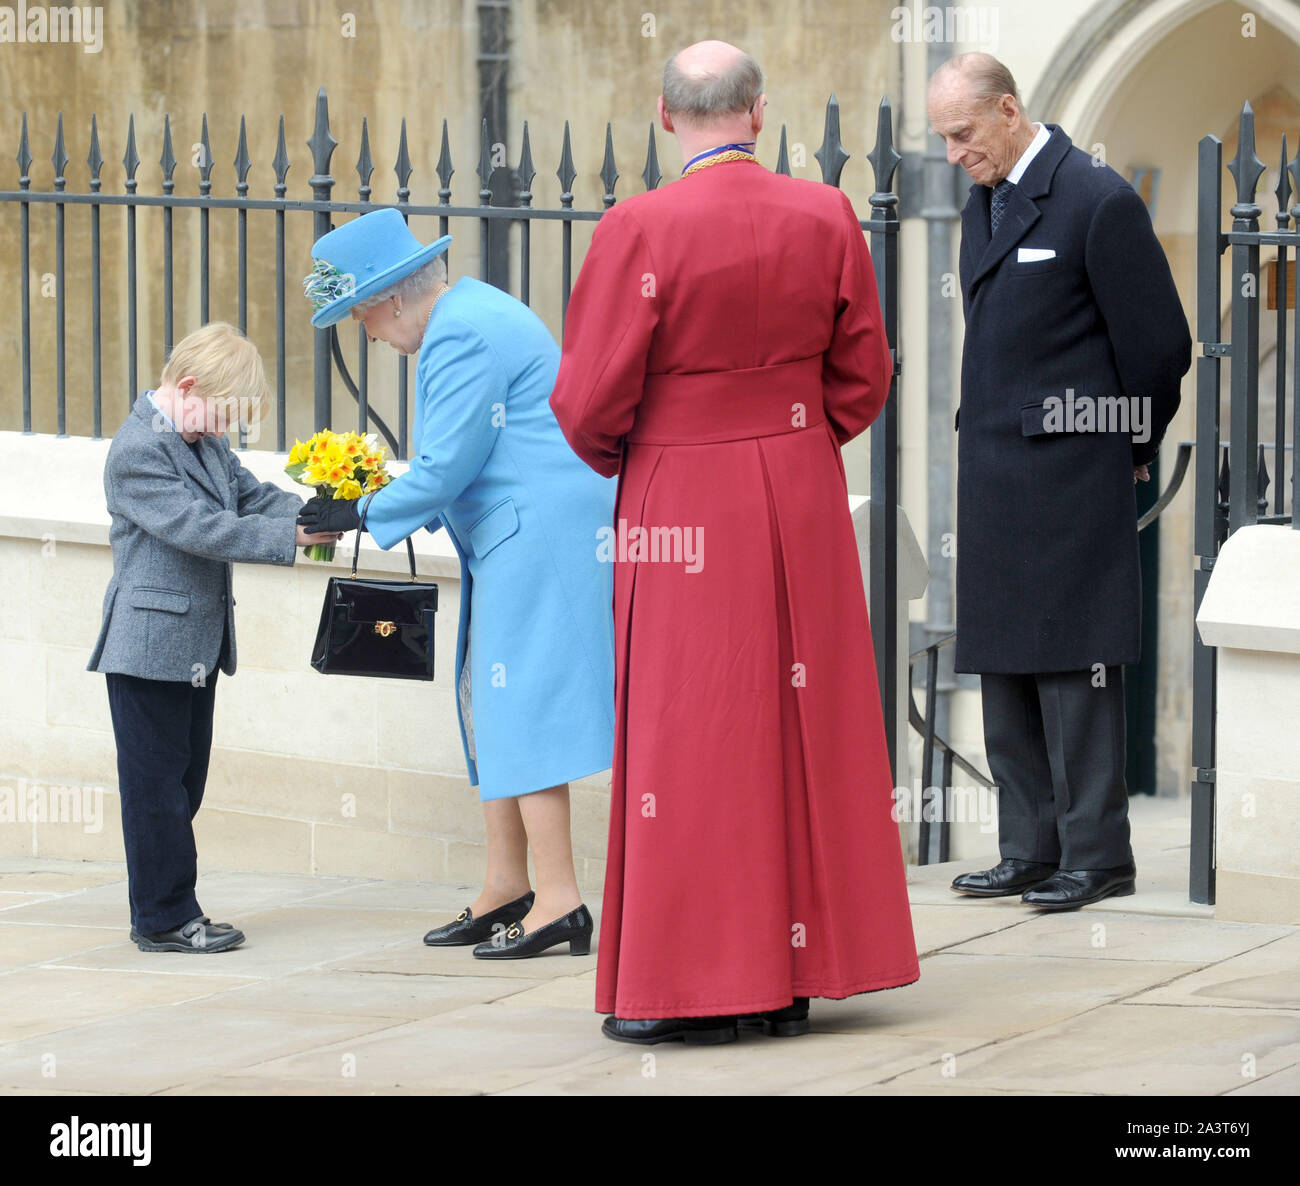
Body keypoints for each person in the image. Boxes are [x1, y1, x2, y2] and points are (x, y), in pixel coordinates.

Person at [548, 40, 920, 1044]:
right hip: (799, 484)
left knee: (690, 731)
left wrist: (657, 446)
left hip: (679, 490)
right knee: (806, 726)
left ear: (666, 119)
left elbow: (585, 401)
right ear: (756, 112)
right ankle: (793, 970)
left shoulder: (638, 225)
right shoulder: (826, 212)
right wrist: (794, 436)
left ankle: (698, 982)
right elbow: (864, 372)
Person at [298, 208, 615, 958]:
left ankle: (561, 899)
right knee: (488, 698)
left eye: (361, 315)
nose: (366, 333)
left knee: (520, 705)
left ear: (394, 299)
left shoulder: (459, 333)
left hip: (535, 535)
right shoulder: (471, 312)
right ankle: (508, 886)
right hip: (522, 531)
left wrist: (358, 508)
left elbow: (446, 467)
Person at [927, 54, 1191, 909]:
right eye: (942, 140)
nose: (954, 153)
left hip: (1073, 470)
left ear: (1008, 111)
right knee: (1003, 660)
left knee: (1078, 667)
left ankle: (1097, 854)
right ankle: (1029, 847)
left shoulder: (1097, 198)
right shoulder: (985, 200)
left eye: (963, 135)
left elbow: (1159, 348)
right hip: (996, 473)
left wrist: (1126, 441)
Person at [88, 322, 341, 953]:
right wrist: (291, 541)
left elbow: (252, 498)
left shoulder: (201, 441)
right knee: (156, 792)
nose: (225, 431)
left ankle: (164, 903)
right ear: (190, 385)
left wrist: (321, 511)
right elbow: (201, 527)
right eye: (221, 415)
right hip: (147, 647)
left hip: (194, 648)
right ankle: (164, 918)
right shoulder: (137, 450)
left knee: (184, 783)